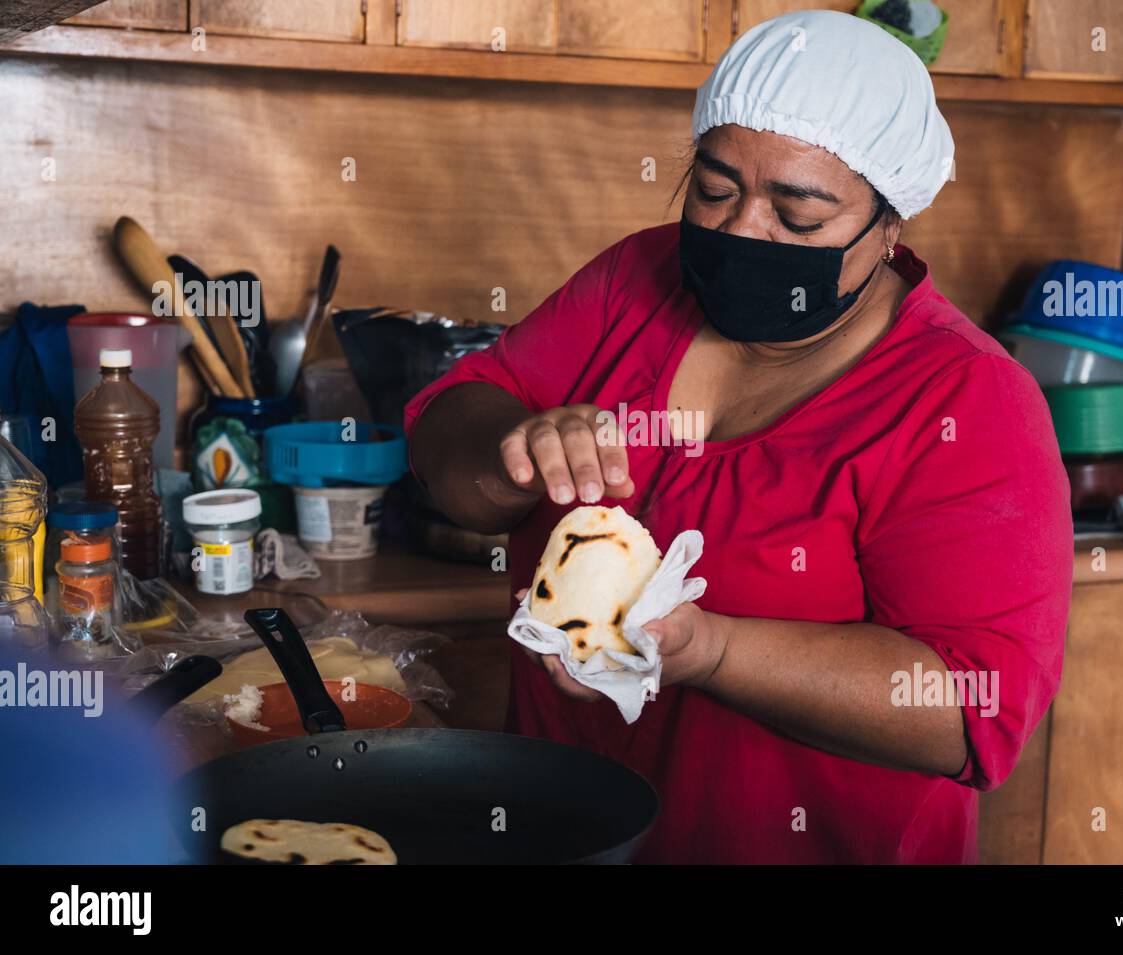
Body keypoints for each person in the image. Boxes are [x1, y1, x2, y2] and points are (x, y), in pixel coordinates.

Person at [407, 10, 1072, 863]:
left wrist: (713, 650)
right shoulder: (636, 282)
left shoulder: (966, 401)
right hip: (571, 830)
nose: (740, 230)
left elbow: (974, 709)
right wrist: (515, 454)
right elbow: (450, 424)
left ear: (890, 226)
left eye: (798, 215)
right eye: (715, 190)